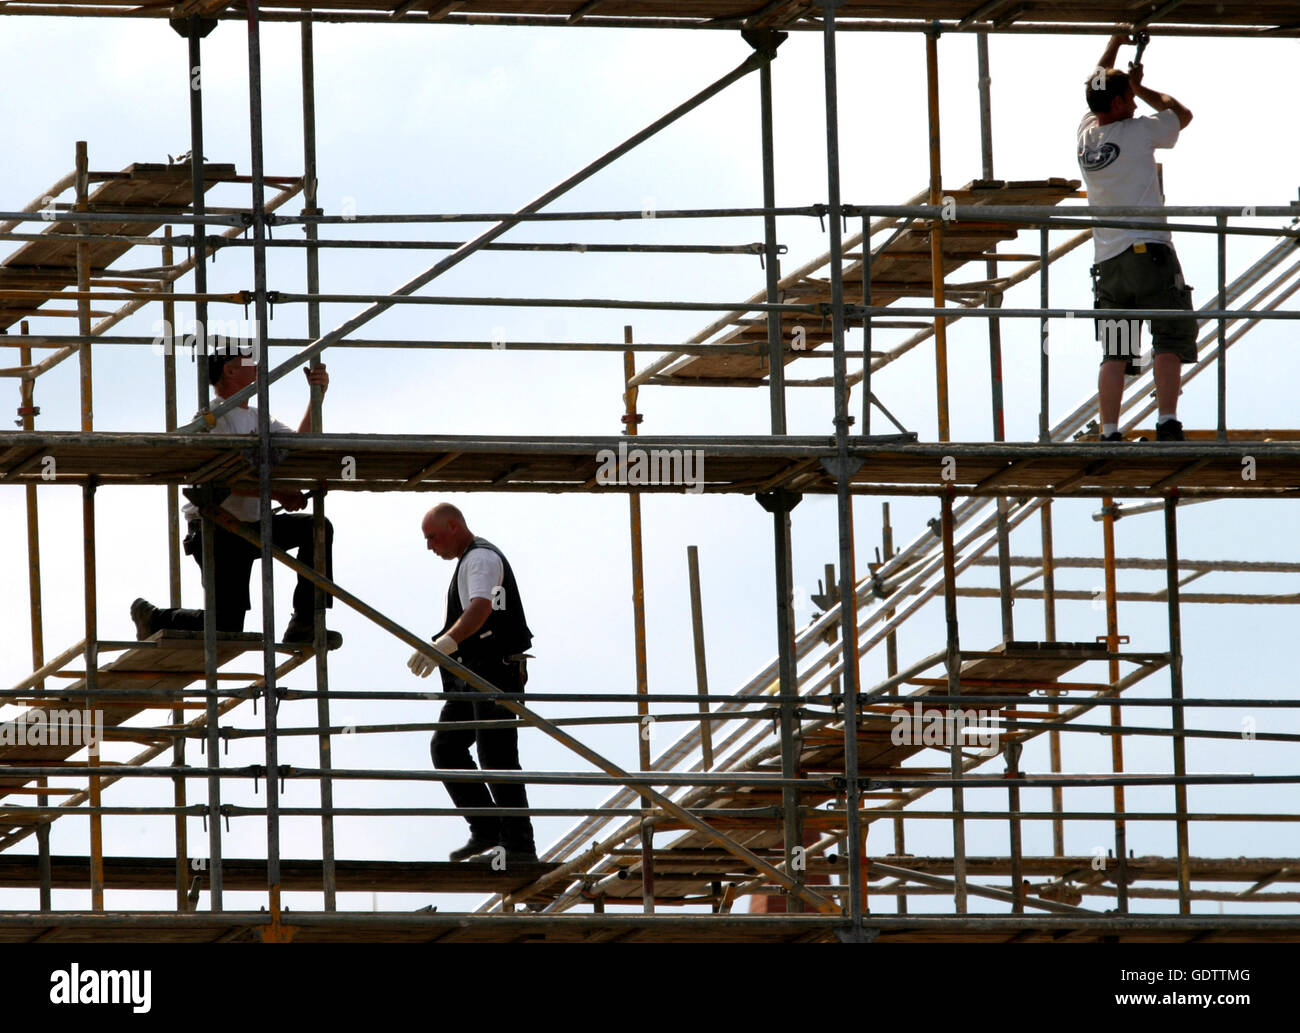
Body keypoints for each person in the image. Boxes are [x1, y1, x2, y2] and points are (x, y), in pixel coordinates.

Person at [130, 343, 340, 646]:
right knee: (226, 626)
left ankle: (305, 622)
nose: (257, 367)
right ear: (229, 369)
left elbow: (297, 448)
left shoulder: (259, 417)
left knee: (316, 528)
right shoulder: (213, 418)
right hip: (218, 528)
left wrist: (316, 396)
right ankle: (154, 617)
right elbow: (218, 479)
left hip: (252, 523)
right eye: (249, 361)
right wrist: (278, 493)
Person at [1078, 26, 1195, 442]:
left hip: (1109, 264)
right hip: (1150, 255)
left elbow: (1095, 76)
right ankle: (1166, 423)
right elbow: (1181, 114)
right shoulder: (1139, 131)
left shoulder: (1086, 135)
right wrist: (1143, 89)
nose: (1132, 102)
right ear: (1118, 102)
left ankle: (1109, 431)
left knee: (1116, 350)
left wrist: (1115, 42)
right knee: (1167, 334)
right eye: (1126, 97)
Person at [407, 503, 538, 863]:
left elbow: (481, 608)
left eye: (432, 536)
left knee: (497, 756)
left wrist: (444, 646)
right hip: (474, 674)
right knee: (447, 747)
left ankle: (519, 847)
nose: (430, 545)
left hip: (493, 672)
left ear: (454, 526)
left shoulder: (480, 559)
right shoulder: (471, 559)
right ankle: (489, 832)